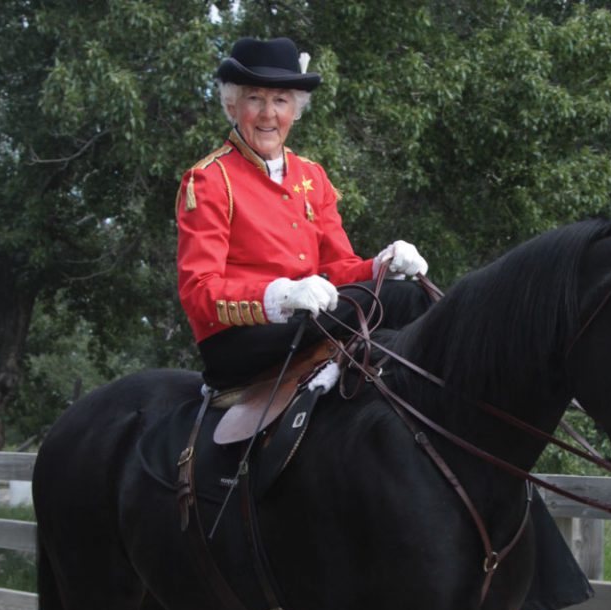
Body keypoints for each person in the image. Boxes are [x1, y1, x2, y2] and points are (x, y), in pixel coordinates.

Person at [176, 36, 435, 387]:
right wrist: (280, 295)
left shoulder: (313, 176)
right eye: (255, 99)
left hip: (311, 323)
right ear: (232, 106)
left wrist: (381, 266)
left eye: (281, 101)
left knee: (417, 294)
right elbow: (198, 292)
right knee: (401, 300)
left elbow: (338, 268)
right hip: (239, 341)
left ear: (295, 112)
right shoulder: (209, 180)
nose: (269, 114)